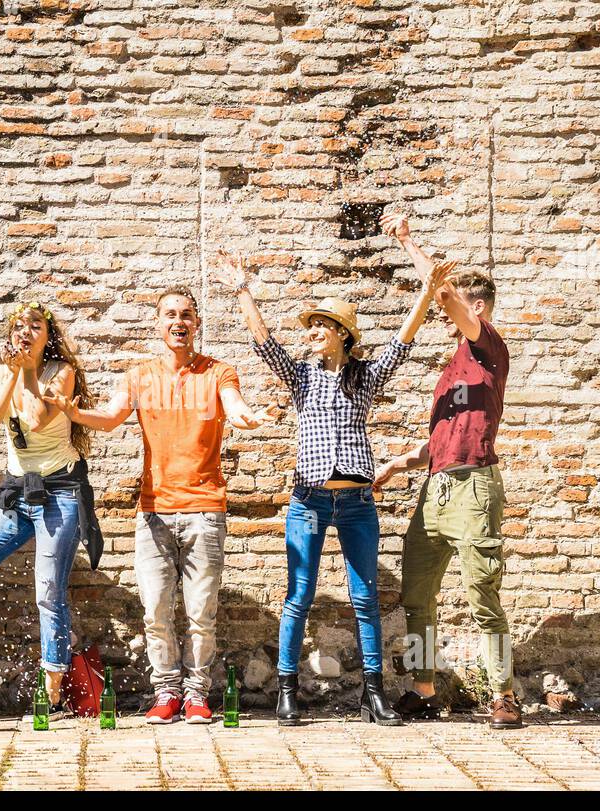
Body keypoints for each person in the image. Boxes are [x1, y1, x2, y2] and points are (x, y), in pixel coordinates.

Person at [211, 251, 454, 725]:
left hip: (358, 503)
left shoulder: (363, 378)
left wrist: (426, 292)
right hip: (310, 501)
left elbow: (402, 344)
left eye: (322, 325)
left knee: (365, 598)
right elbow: (266, 345)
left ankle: (373, 694)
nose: (312, 332)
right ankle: (287, 690)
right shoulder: (302, 379)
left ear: (342, 333)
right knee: (298, 594)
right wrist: (243, 291)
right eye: (310, 326)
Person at [42, 286, 269, 724]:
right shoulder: (140, 375)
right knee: (155, 611)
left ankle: (197, 695)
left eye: (186, 314)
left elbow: (236, 409)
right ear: (158, 323)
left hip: (205, 510)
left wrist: (251, 418)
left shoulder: (219, 373)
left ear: (196, 323)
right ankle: (166, 693)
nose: (178, 321)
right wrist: (72, 413)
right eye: (170, 314)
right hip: (153, 512)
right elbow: (109, 418)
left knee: (201, 613)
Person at [374, 212, 522, 729]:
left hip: (475, 486)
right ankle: (423, 687)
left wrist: (411, 245)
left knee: (483, 595)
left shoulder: (489, 349)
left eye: (457, 300)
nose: (445, 308)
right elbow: (443, 439)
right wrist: (398, 463)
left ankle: (504, 694)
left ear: (476, 306)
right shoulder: (453, 367)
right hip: (436, 487)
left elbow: (441, 297)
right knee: (417, 595)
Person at [0, 301, 103, 714]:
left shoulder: (61, 374)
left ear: (48, 336)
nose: (27, 331)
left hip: (59, 493)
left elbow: (35, 418)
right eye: (20, 325)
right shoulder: (1, 371)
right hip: (18, 492)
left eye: (36, 325)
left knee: (49, 593)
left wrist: (29, 371)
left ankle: (51, 689)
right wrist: (13, 372)